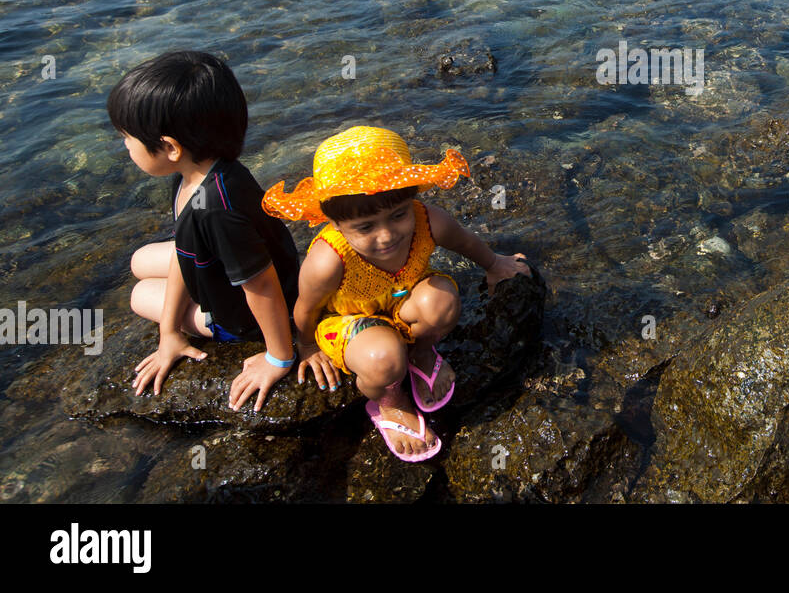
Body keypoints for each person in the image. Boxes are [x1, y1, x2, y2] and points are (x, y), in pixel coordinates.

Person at [262, 126, 529, 462]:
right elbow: (306, 307)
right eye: (366, 227)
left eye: (398, 215)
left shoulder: (427, 220)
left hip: (403, 299)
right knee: (383, 359)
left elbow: (464, 242)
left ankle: (420, 354)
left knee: (442, 301)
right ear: (335, 223)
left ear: (412, 197)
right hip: (349, 319)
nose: (387, 235)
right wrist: (306, 346)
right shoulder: (328, 260)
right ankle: (389, 401)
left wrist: (494, 263)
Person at [108, 50, 300, 413]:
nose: (125, 146)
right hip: (227, 262)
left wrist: (279, 356)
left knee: (139, 296)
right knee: (140, 260)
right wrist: (168, 332)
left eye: (128, 138)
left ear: (169, 147)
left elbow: (260, 285)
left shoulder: (216, 208)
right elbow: (185, 250)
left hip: (242, 317)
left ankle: (233, 331)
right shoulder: (197, 172)